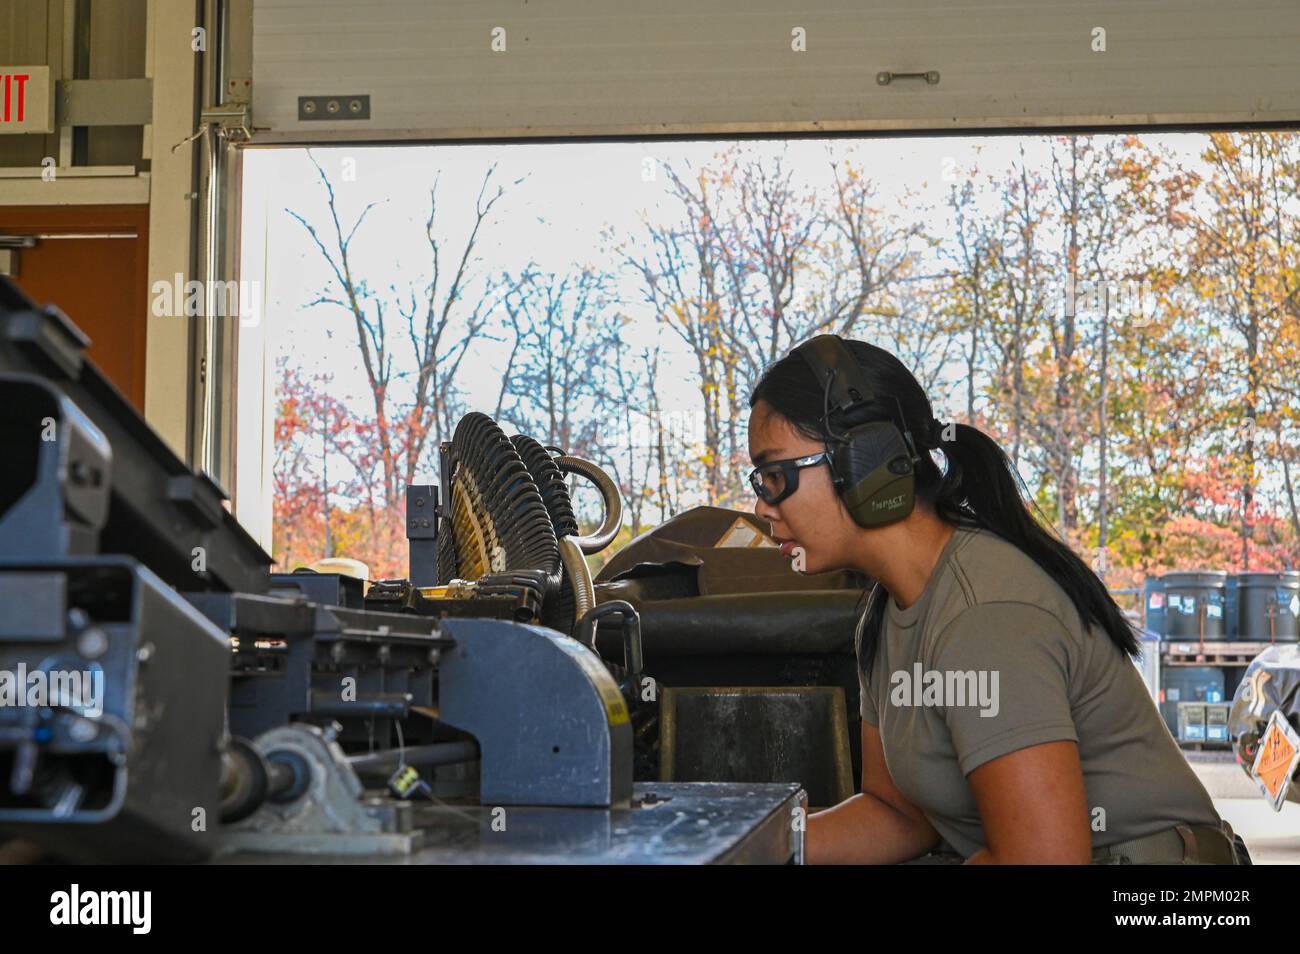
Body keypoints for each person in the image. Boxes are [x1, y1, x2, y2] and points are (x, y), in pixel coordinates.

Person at [746, 333, 1245, 865]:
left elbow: (1042, 861)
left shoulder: (984, 613)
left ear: (865, 460)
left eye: (776, 476)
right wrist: (746, 849)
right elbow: (897, 814)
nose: (761, 506)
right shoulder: (889, 611)